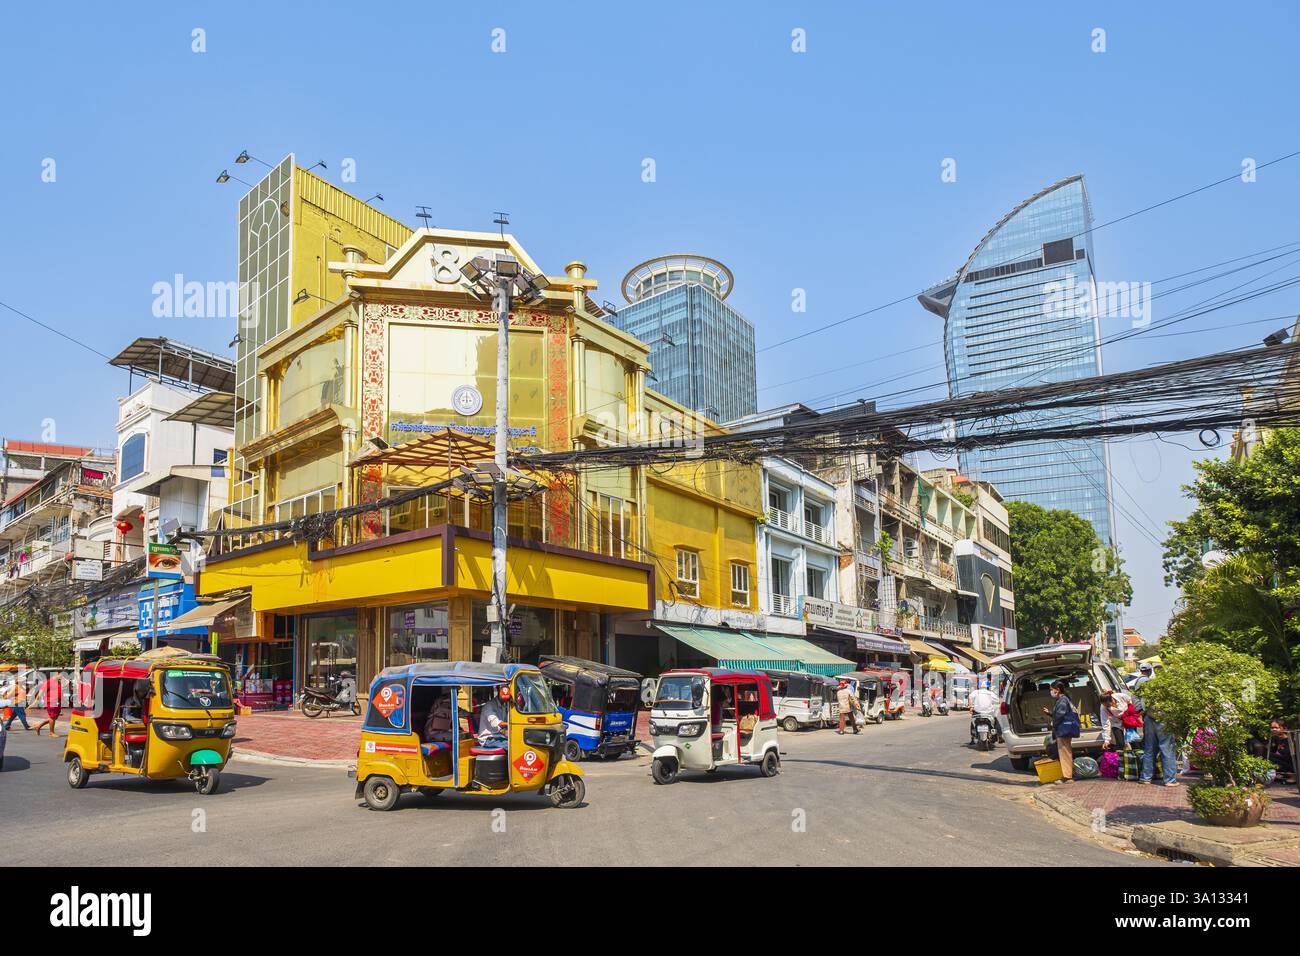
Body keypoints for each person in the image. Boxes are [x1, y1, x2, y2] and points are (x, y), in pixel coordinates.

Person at [1133, 664, 1178, 787]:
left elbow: (1136, 697)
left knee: (1149, 749)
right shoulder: (1168, 685)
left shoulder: (1144, 683)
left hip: (1149, 717)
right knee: (1167, 749)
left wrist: (1142, 710)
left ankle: (1145, 778)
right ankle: (1169, 780)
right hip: (1163, 718)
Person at [1045, 679, 1079, 784]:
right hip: (1063, 730)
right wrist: (1050, 714)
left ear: (1058, 690)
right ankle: (1067, 775)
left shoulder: (1062, 700)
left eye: (1052, 690)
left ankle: (1067, 777)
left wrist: (1053, 724)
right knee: (1065, 752)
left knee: (1064, 753)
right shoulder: (1063, 699)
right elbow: (1059, 714)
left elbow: (1060, 715)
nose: (1051, 692)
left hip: (1063, 730)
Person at [477, 684, 511, 748]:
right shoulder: (489, 706)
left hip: (499, 737)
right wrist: (512, 724)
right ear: (498, 691)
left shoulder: (504, 705)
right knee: (512, 747)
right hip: (488, 739)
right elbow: (496, 723)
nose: (506, 701)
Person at [32, 672, 65, 738]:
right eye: (60, 674)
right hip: (51, 701)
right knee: (52, 717)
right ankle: (51, 732)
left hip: (57, 702)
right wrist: (36, 700)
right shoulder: (49, 682)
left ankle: (38, 726)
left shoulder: (58, 682)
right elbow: (41, 691)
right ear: (55, 674)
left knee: (54, 717)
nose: (62, 676)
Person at [1265, 719, 1295, 785]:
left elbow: (1288, 755)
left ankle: (1293, 776)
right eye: (1272, 728)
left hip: (1290, 763)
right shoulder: (1274, 738)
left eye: (1276, 727)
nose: (1273, 729)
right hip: (1280, 761)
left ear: (1283, 728)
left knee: (1268, 756)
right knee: (1266, 754)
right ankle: (1278, 774)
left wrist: (1277, 753)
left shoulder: (1289, 739)